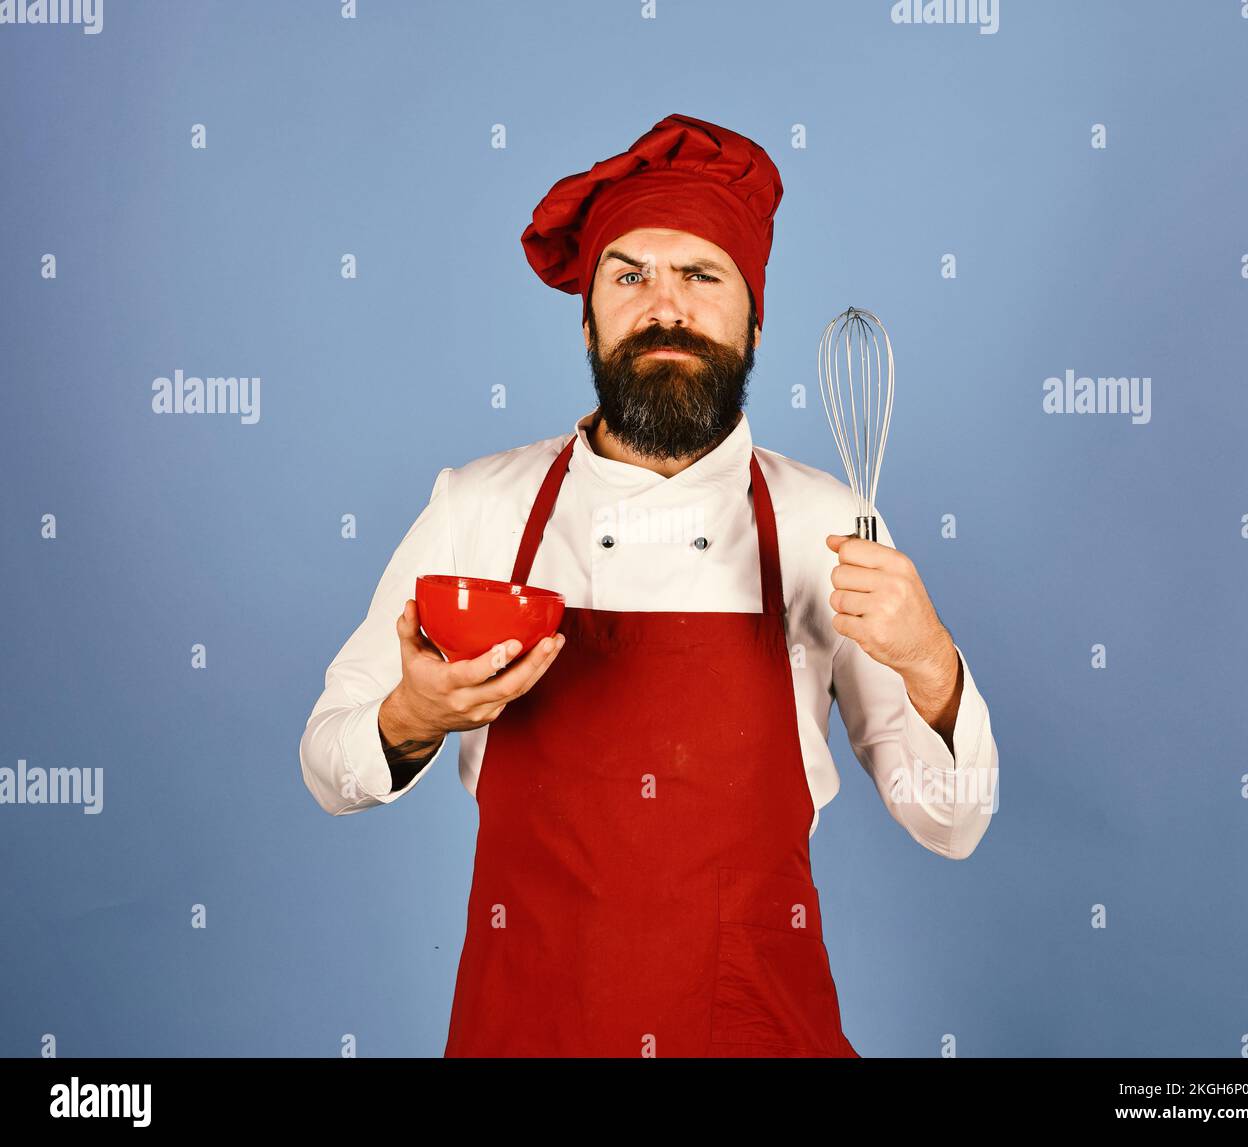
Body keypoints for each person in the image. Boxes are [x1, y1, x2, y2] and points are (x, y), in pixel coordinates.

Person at [299, 113, 999, 1058]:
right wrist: (410, 717)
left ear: (756, 314)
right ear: (587, 317)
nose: (664, 307)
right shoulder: (479, 507)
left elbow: (952, 820)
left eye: (702, 276)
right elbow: (326, 765)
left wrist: (930, 660)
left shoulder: (824, 519)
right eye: (629, 276)